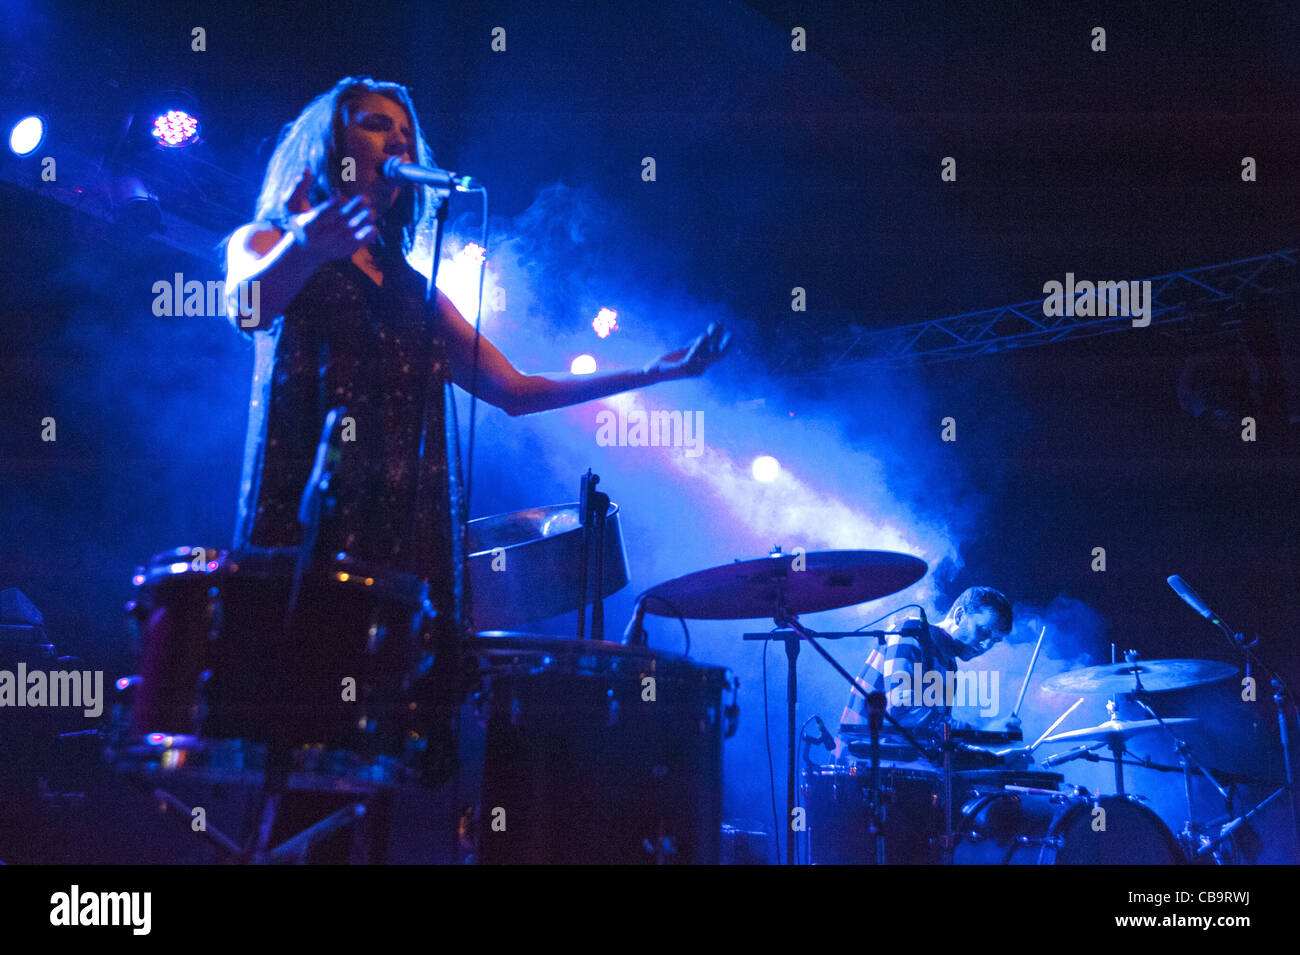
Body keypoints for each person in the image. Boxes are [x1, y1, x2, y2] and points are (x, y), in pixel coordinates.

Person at [214, 76, 729, 860]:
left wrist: (649, 375)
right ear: (330, 143)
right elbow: (248, 305)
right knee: (303, 765)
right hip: (310, 540)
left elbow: (513, 389)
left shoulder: (415, 291)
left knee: (377, 778)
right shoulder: (266, 238)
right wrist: (307, 246)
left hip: (401, 549)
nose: (398, 145)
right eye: (376, 126)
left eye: (406, 133)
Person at [837, 586, 1014, 748]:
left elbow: (931, 738)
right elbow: (902, 712)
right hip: (859, 768)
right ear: (960, 616)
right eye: (984, 631)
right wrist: (981, 732)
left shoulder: (950, 666)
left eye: (995, 641)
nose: (986, 645)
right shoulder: (912, 632)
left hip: (897, 769)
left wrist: (994, 759)